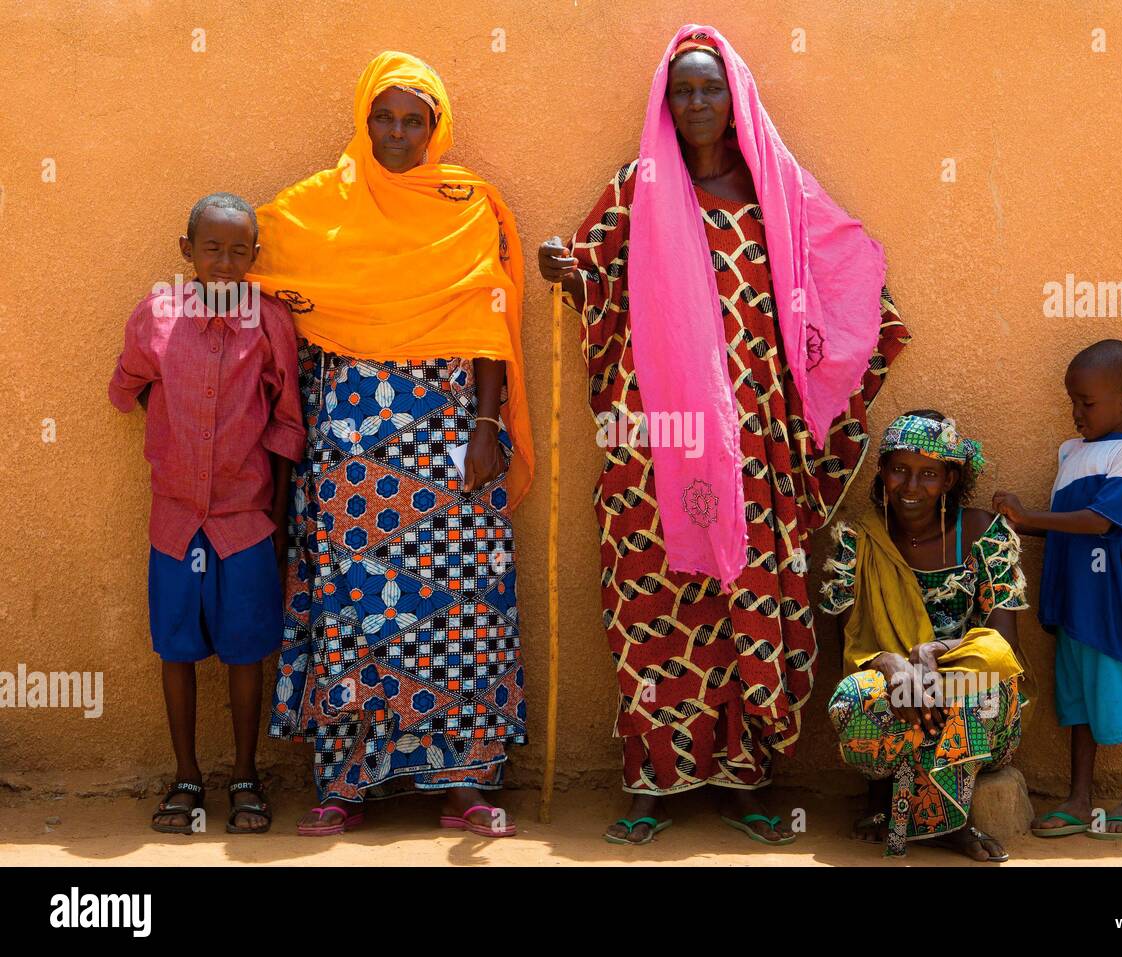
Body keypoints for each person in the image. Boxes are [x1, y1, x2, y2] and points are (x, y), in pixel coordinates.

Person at [537, 25, 908, 846]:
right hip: (655, 444)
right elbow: (595, 284)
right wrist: (569, 272)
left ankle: (745, 777)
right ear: (664, 105)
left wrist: (836, 354)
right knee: (652, 596)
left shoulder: (775, 190)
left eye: (709, 88)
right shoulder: (637, 189)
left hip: (755, 444)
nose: (696, 102)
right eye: (682, 91)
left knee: (751, 595)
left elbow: (841, 277)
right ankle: (652, 781)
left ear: (734, 97)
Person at [247, 51, 534, 837]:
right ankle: (346, 783)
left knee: (464, 602)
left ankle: (463, 785)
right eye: (385, 117)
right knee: (352, 602)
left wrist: (486, 427)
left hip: (450, 433)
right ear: (362, 119)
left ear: (437, 127)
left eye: (416, 120)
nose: (399, 133)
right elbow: (248, 254)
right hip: (352, 443)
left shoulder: (464, 204)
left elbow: (488, 318)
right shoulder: (319, 206)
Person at [109, 192, 306, 834]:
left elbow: (284, 424)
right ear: (186, 251)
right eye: (212, 248)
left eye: (239, 250)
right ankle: (186, 775)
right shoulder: (157, 315)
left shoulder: (269, 321)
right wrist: (177, 436)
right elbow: (128, 388)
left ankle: (245, 774)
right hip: (174, 521)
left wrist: (275, 518)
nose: (225, 261)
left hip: (246, 522)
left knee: (246, 651)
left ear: (255, 255)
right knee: (177, 648)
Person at [820, 411, 1030, 860]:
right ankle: (887, 798)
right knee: (854, 698)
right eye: (898, 469)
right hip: (897, 693)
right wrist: (893, 666)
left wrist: (938, 653)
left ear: (951, 479)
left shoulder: (983, 534)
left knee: (977, 689)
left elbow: (1003, 646)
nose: (911, 487)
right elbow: (852, 647)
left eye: (929, 474)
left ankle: (946, 822)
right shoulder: (859, 542)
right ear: (881, 471)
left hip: (970, 693)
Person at [993, 339, 1122, 840]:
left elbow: (1100, 522)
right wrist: (1015, 525)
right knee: (1079, 703)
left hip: (1108, 604)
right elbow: (1068, 525)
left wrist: (1029, 515)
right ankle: (1079, 799)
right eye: (1072, 401)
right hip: (1071, 603)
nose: (1076, 414)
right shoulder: (1070, 452)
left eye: (1087, 403)